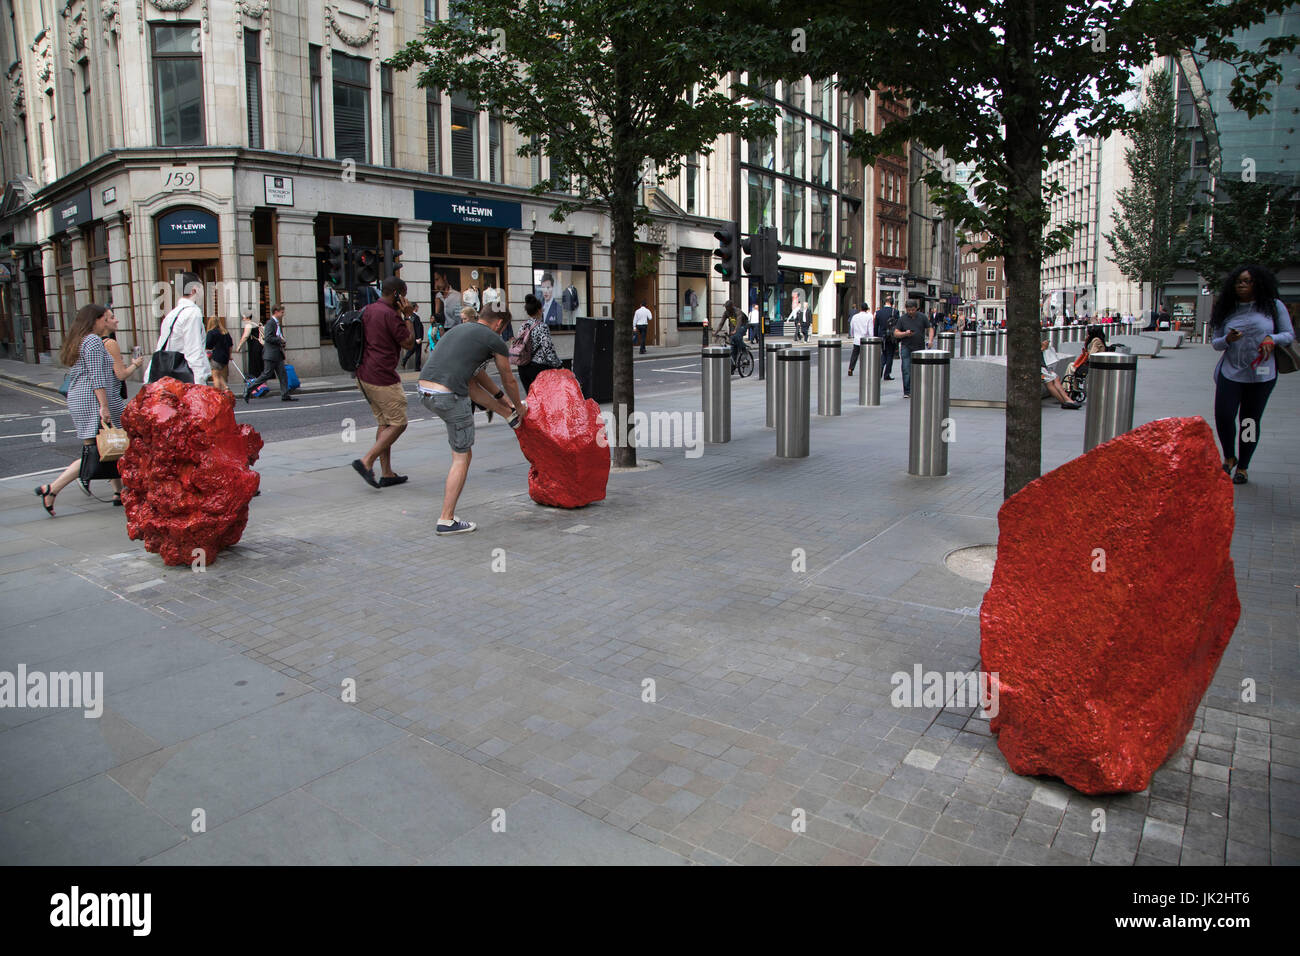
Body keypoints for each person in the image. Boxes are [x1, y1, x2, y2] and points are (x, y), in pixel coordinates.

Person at [418, 305, 527, 535]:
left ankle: (507, 415)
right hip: (448, 395)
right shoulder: (494, 339)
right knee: (462, 456)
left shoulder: (462, 330)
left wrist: (501, 400)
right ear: (499, 323)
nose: (503, 333)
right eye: (504, 328)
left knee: (469, 386)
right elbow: (509, 378)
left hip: (424, 390)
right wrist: (519, 405)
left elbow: (477, 376)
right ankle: (446, 520)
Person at [35, 304, 140, 514]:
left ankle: (119, 493)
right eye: (106, 317)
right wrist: (104, 406)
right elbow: (96, 376)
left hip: (86, 398)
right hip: (93, 400)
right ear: (97, 320)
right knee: (100, 450)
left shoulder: (83, 339)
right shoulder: (92, 340)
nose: (110, 320)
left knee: (109, 446)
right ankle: (53, 488)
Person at [1210, 264, 1294, 485]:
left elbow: (1288, 335)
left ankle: (1243, 466)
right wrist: (1228, 340)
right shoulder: (1226, 308)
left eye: (1248, 281)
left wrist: (1271, 339)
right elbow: (1216, 343)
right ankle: (1229, 456)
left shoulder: (1273, 307)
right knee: (1224, 415)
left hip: (1261, 375)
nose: (1242, 285)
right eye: (1239, 281)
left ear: (1258, 283)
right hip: (1231, 372)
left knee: (1249, 421)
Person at [351, 276, 416, 489]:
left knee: (385, 423)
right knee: (399, 423)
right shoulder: (390, 315)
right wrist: (409, 316)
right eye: (403, 295)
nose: (405, 300)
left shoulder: (369, 309)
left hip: (364, 374)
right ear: (397, 294)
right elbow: (408, 343)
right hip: (382, 376)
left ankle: (387, 473)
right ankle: (366, 461)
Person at [149, 272, 210, 385]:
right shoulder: (192, 312)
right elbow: (193, 350)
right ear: (194, 289)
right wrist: (200, 383)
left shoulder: (172, 314)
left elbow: (161, 347)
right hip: (186, 380)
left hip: (169, 379)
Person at [242, 304, 296, 402]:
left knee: (282, 374)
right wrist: (280, 340)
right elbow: (268, 337)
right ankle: (249, 389)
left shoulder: (276, 323)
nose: (283, 314)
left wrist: (281, 342)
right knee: (266, 375)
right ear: (276, 312)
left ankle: (285, 395)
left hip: (277, 354)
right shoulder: (271, 323)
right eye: (282, 312)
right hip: (271, 354)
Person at [515, 293, 563, 392]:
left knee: (532, 399)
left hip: (523, 367)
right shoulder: (542, 326)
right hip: (538, 367)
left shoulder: (523, 326)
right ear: (539, 310)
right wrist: (558, 365)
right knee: (543, 399)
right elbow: (548, 348)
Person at [893, 299, 933, 398]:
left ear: (916, 309)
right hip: (906, 346)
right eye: (909, 310)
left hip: (919, 347)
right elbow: (896, 333)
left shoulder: (922, 317)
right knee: (906, 368)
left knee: (920, 369)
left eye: (913, 310)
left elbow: (930, 328)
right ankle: (907, 391)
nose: (911, 312)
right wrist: (905, 333)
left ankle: (919, 388)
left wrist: (931, 340)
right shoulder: (902, 319)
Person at [1040, 338, 1082, 409]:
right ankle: (1066, 401)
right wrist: (1042, 348)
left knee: (1056, 378)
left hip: (1042, 368)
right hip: (1039, 369)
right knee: (1050, 381)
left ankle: (1067, 400)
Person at [205, 315, 234, 393]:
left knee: (215, 376)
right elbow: (230, 345)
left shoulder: (211, 332)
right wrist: (230, 355)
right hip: (225, 357)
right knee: (218, 374)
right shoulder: (225, 332)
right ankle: (225, 388)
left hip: (216, 357)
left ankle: (217, 393)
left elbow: (208, 345)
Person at [875, 298, 899, 380]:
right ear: (892, 303)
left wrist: (876, 337)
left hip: (881, 336)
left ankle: (879, 372)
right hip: (891, 337)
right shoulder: (895, 312)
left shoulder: (878, 312)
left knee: (884, 353)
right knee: (890, 355)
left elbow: (876, 326)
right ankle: (887, 374)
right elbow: (898, 325)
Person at [847, 302, 873, 375]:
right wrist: (871, 338)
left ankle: (850, 368)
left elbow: (852, 327)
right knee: (865, 356)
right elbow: (870, 330)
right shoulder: (869, 317)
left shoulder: (855, 316)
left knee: (854, 355)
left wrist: (852, 335)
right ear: (867, 309)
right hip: (865, 339)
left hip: (857, 339)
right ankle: (865, 369)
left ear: (860, 308)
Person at [401, 306, 424, 371]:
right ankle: (417, 367)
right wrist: (419, 337)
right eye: (417, 307)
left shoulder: (409, 317)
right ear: (415, 308)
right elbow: (417, 327)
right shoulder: (415, 317)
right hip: (416, 337)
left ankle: (405, 360)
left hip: (412, 337)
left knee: (412, 350)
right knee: (418, 352)